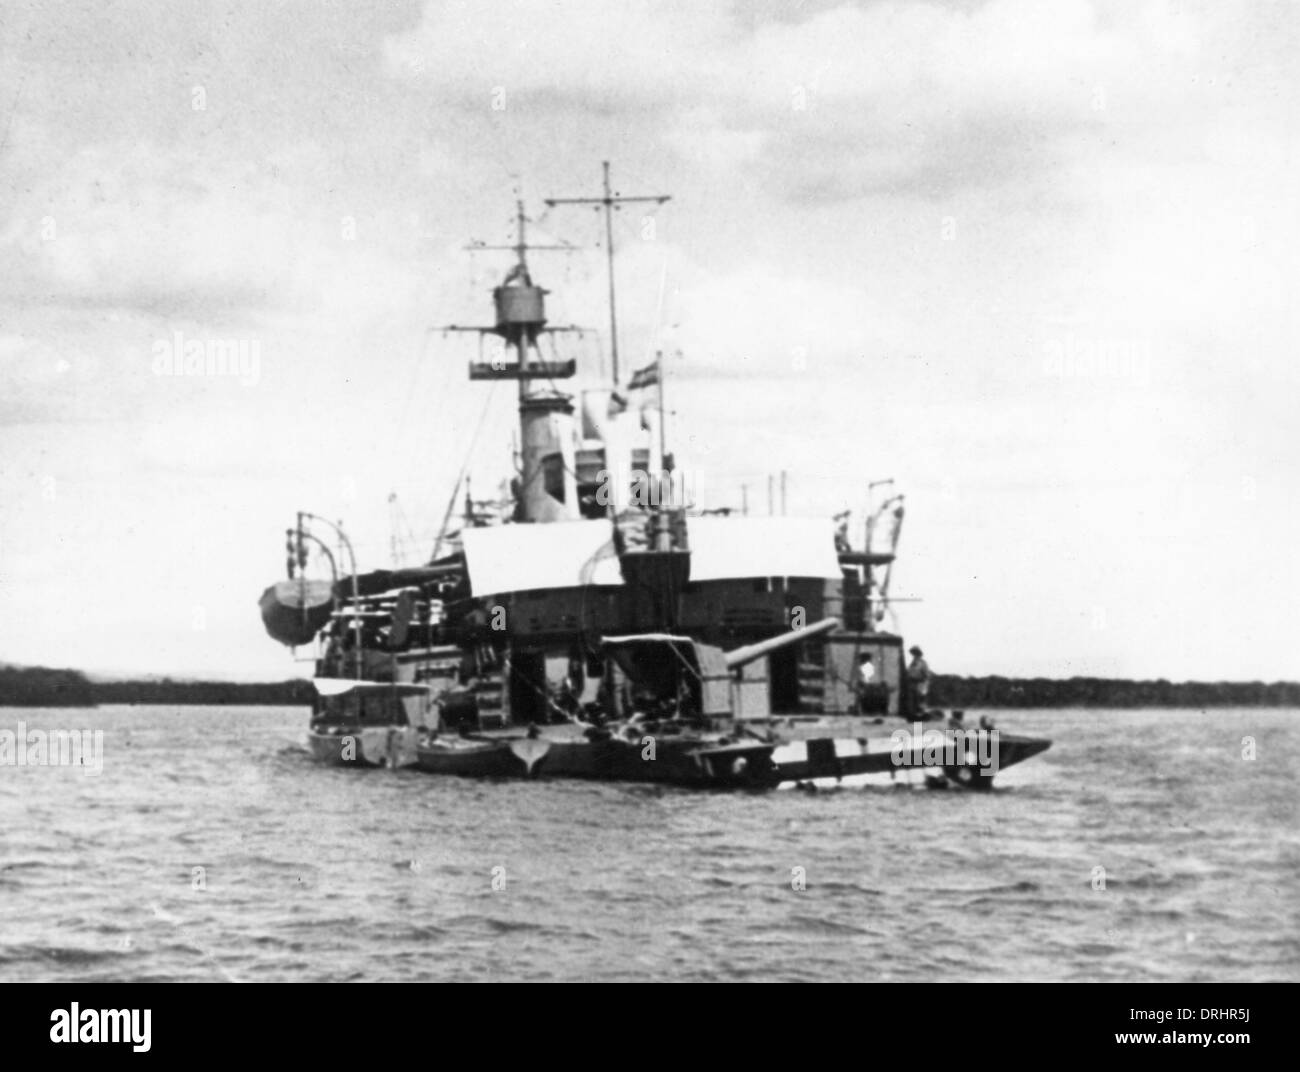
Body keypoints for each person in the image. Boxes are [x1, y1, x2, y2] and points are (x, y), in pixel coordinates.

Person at [907, 645, 932, 714]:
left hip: (920, 685)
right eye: (913, 653)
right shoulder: (911, 664)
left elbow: (926, 675)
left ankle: (918, 723)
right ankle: (915, 721)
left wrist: (923, 685)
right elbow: (909, 673)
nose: (914, 655)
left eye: (916, 653)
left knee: (920, 704)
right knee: (913, 704)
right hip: (912, 685)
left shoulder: (922, 663)